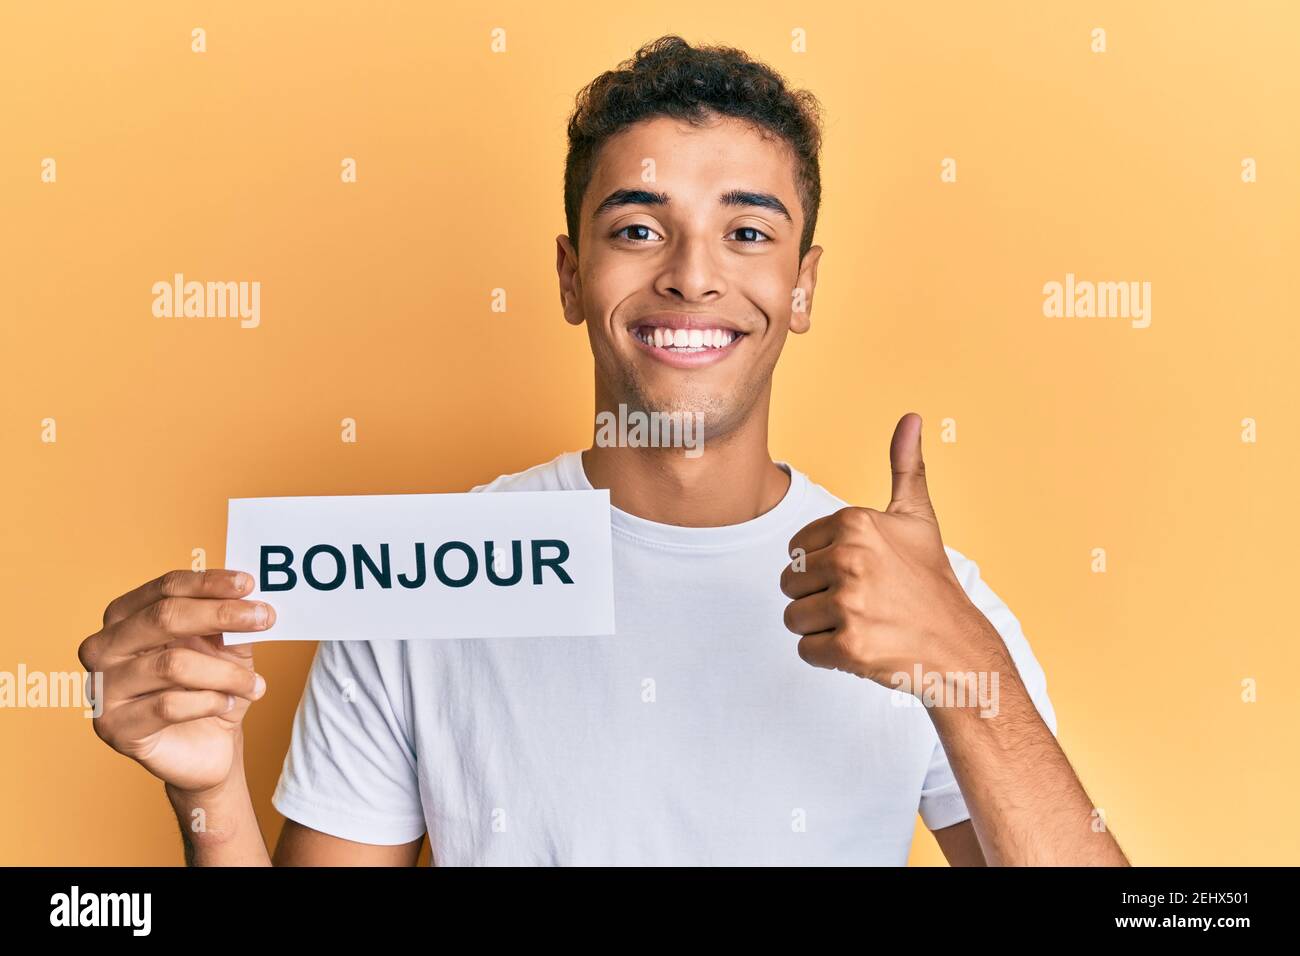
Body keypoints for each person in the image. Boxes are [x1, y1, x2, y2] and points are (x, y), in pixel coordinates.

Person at [78, 35, 1129, 866]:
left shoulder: (929, 602)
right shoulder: (424, 577)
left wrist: (964, 664)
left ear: (801, 285)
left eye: (748, 233)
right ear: (571, 273)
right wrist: (207, 794)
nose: (692, 276)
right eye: (638, 228)